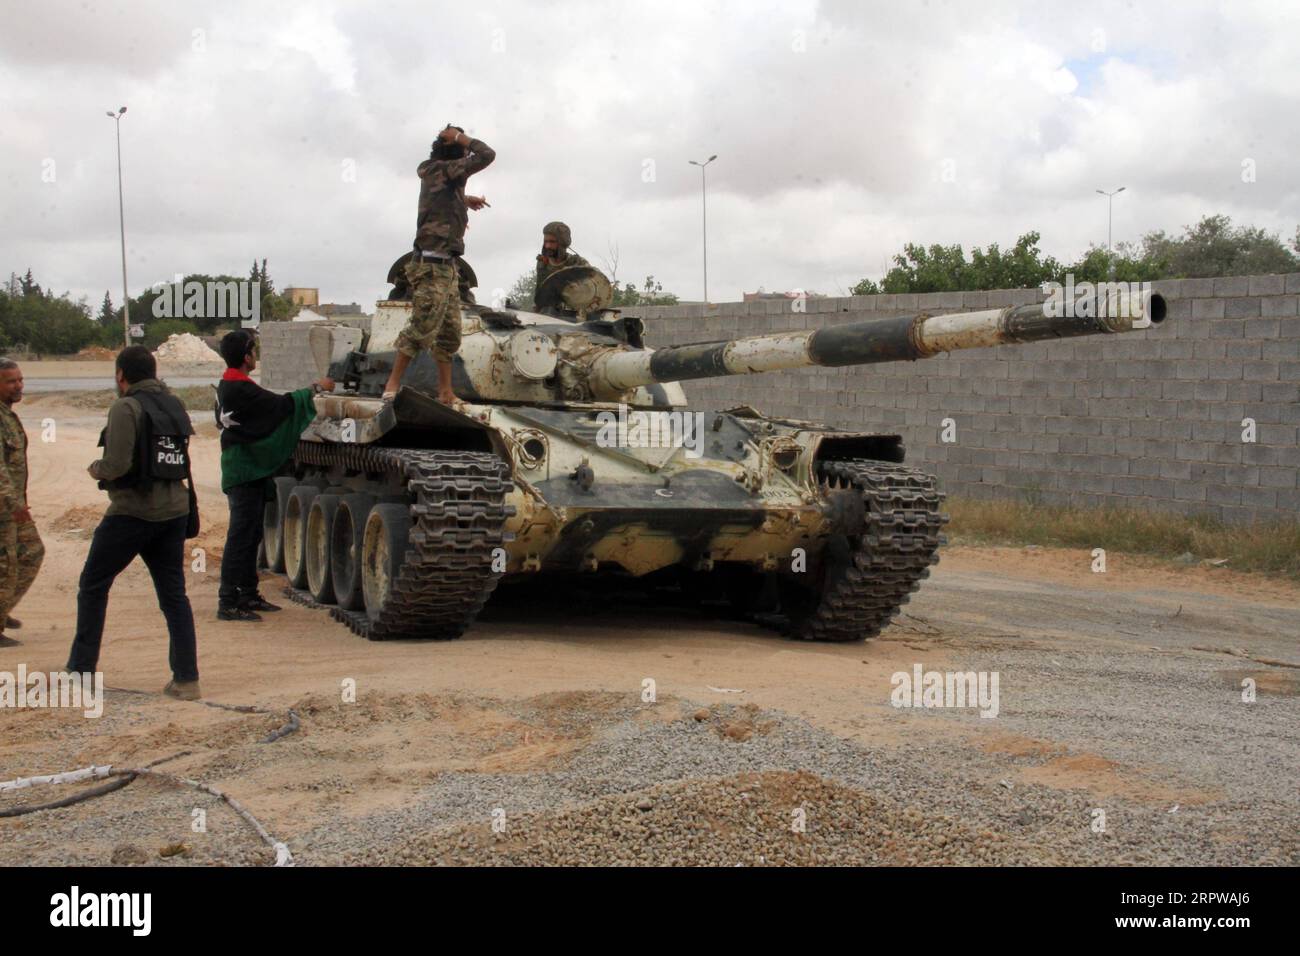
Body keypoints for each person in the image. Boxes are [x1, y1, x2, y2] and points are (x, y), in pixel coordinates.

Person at [65, 347, 200, 699]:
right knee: (174, 596)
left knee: (93, 584)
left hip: (132, 512)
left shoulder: (126, 407)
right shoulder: (174, 403)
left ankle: (81, 670)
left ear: (121, 375)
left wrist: (96, 469)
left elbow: (117, 464)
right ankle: (187, 679)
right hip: (174, 511)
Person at [216, 330, 333, 621]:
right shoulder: (239, 387)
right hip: (244, 468)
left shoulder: (230, 383)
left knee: (251, 533)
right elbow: (280, 406)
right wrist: (315, 389)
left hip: (245, 467)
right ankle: (228, 600)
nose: (256, 356)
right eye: (253, 351)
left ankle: (247, 593)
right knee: (241, 536)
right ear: (246, 357)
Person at [382, 124, 495, 404]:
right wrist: (460, 137)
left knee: (449, 333)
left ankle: (445, 391)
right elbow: (487, 154)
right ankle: (392, 384)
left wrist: (463, 201)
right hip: (431, 264)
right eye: (459, 144)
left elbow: (442, 194)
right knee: (422, 326)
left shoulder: (444, 178)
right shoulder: (440, 169)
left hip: (447, 267)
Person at [0, 358, 44, 648]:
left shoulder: (7, 415)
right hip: (5, 507)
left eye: (20, 379)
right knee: (6, 565)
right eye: (11, 381)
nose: (19, 385)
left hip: (13, 505)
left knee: (31, 552)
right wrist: (13, 503)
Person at [534, 221, 589, 292]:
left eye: (552, 242)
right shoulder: (542, 264)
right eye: (546, 241)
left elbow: (597, 285)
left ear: (562, 243)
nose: (548, 246)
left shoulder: (578, 264)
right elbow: (540, 294)